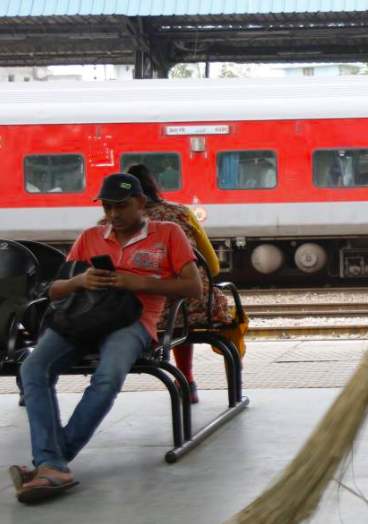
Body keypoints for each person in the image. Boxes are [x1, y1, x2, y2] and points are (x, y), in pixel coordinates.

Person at [11, 173, 202, 503]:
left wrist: (137, 283)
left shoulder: (168, 233)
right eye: (108, 206)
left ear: (141, 203)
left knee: (108, 376)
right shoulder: (90, 237)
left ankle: (50, 462)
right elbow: (55, 292)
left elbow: (193, 288)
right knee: (32, 369)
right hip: (83, 320)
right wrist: (81, 280)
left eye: (122, 205)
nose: (114, 213)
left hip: (134, 322)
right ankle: (52, 464)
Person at [125, 164, 236, 404]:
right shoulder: (180, 213)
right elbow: (213, 267)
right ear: (153, 187)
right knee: (179, 312)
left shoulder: (111, 221)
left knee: (161, 311)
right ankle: (186, 380)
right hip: (189, 307)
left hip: (135, 312)